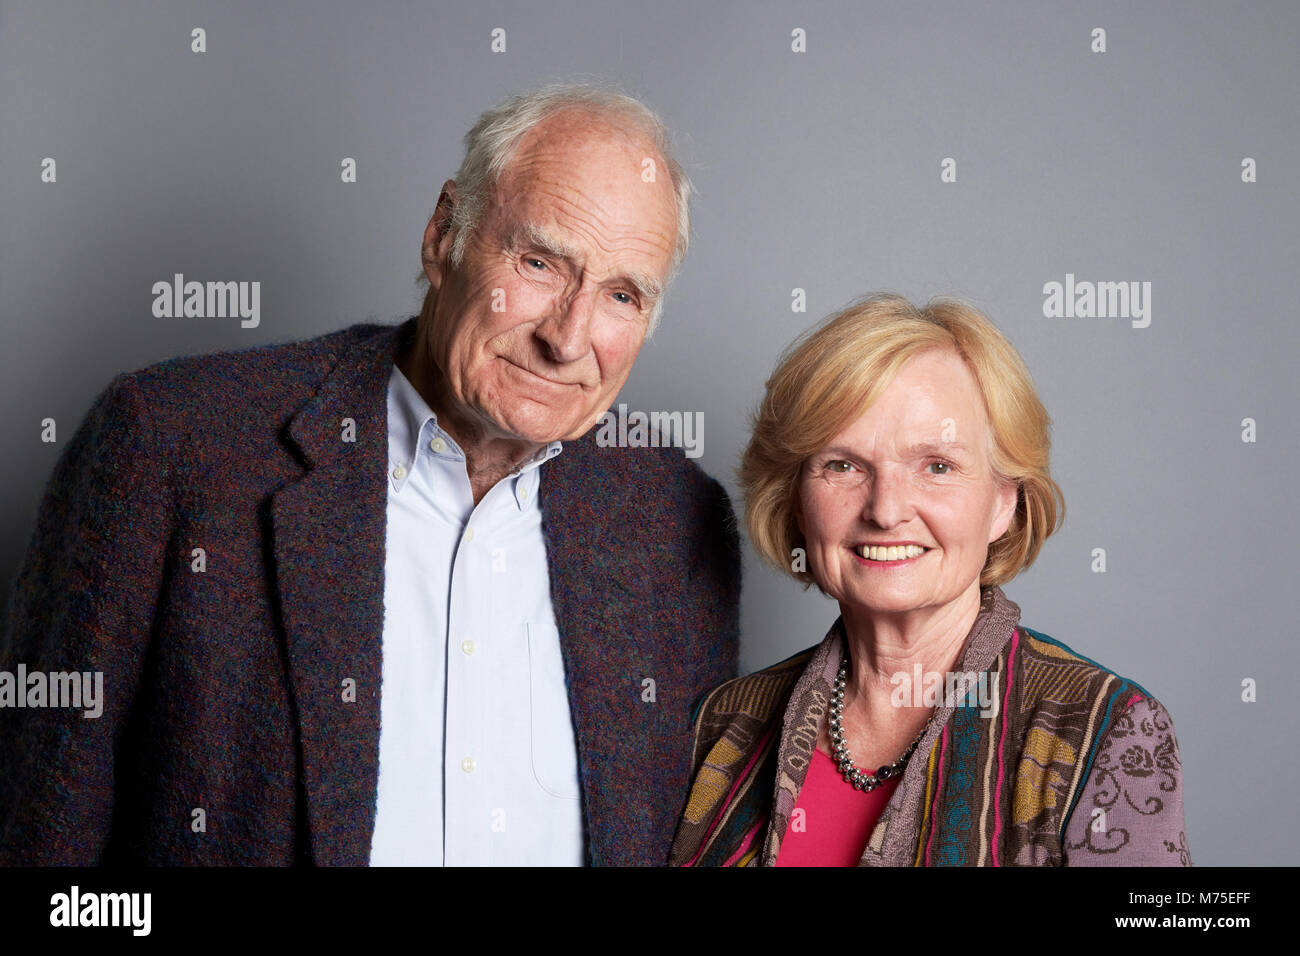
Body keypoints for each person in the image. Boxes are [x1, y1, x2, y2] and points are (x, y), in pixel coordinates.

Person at [0, 85, 740, 866]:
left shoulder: (676, 523)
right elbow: (47, 839)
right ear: (443, 235)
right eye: (539, 263)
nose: (568, 338)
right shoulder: (171, 443)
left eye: (622, 295)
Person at [670, 294, 1189, 867]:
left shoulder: (1105, 729)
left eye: (937, 466)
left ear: (1003, 501)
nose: (886, 510)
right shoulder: (721, 726)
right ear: (796, 499)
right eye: (843, 465)